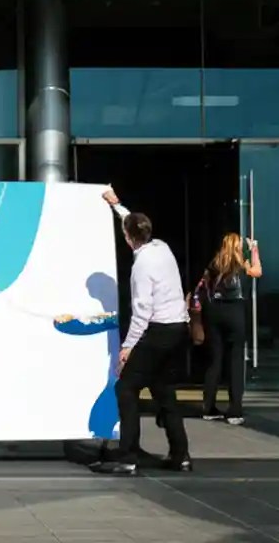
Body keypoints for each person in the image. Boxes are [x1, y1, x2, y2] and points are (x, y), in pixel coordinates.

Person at [94, 188, 192, 475]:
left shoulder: (141, 265)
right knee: (163, 391)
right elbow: (135, 225)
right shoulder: (162, 247)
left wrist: (127, 348)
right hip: (178, 329)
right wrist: (118, 206)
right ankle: (181, 455)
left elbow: (142, 312)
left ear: (127, 238)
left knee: (125, 388)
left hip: (158, 330)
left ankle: (127, 456)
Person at [197, 233, 263, 425]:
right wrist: (254, 250)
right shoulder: (241, 264)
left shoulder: (214, 264)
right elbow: (257, 271)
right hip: (234, 312)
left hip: (214, 312)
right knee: (235, 361)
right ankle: (234, 411)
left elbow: (203, 284)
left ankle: (209, 407)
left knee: (215, 360)